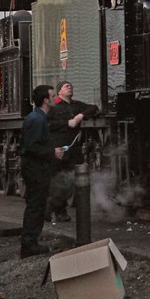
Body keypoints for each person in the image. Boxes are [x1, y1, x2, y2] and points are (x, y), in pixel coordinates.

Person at [46, 81, 99, 221]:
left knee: (70, 180)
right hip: (58, 148)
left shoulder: (76, 105)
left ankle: (53, 208)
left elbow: (93, 107)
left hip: (73, 149)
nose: (69, 87)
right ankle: (56, 210)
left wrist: (79, 116)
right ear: (59, 92)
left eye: (70, 85)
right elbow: (46, 124)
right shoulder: (53, 107)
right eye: (65, 86)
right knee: (58, 180)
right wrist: (66, 123)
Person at [20, 84, 61, 257]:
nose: (55, 98)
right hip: (35, 168)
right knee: (35, 206)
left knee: (36, 205)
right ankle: (29, 244)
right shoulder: (37, 120)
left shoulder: (37, 118)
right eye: (52, 96)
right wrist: (53, 152)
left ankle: (31, 242)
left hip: (36, 167)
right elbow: (31, 147)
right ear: (45, 100)